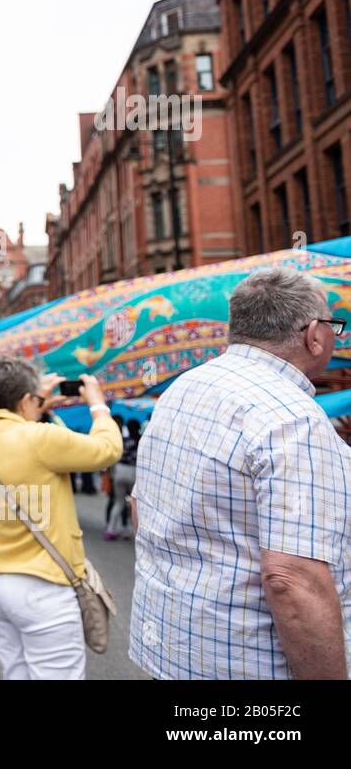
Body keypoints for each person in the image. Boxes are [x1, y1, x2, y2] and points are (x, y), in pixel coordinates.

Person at [130, 268, 350, 679]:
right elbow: (290, 578)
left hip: (172, 648)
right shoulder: (294, 420)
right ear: (314, 335)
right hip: (249, 664)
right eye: (334, 326)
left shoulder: (181, 389)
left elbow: (141, 510)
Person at [0, 358, 121, 680]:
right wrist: (97, 404)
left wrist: (34, 401)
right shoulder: (40, 437)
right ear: (25, 400)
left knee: (16, 673)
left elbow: (10, 427)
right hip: (40, 586)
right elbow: (108, 449)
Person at [104, 418, 138, 541]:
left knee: (118, 502)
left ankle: (110, 529)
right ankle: (130, 530)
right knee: (133, 503)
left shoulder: (123, 441)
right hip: (133, 472)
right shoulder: (140, 441)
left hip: (119, 471)